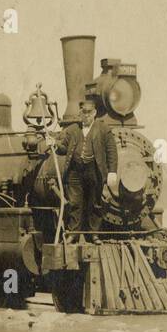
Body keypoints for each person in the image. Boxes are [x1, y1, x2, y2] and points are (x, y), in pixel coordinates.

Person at [55, 97, 119, 233]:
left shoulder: (103, 129)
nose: (86, 115)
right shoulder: (73, 129)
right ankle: (73, 232)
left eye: (89, 112)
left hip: (94, 170)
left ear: (95, 113)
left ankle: (93, 233)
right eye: (84, 112)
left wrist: (112, 171)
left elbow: (111, 151)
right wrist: (54, 145)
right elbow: (63, 149)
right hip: (74, 171)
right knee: (74, 203)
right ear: (80, 113)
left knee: (95, 203)